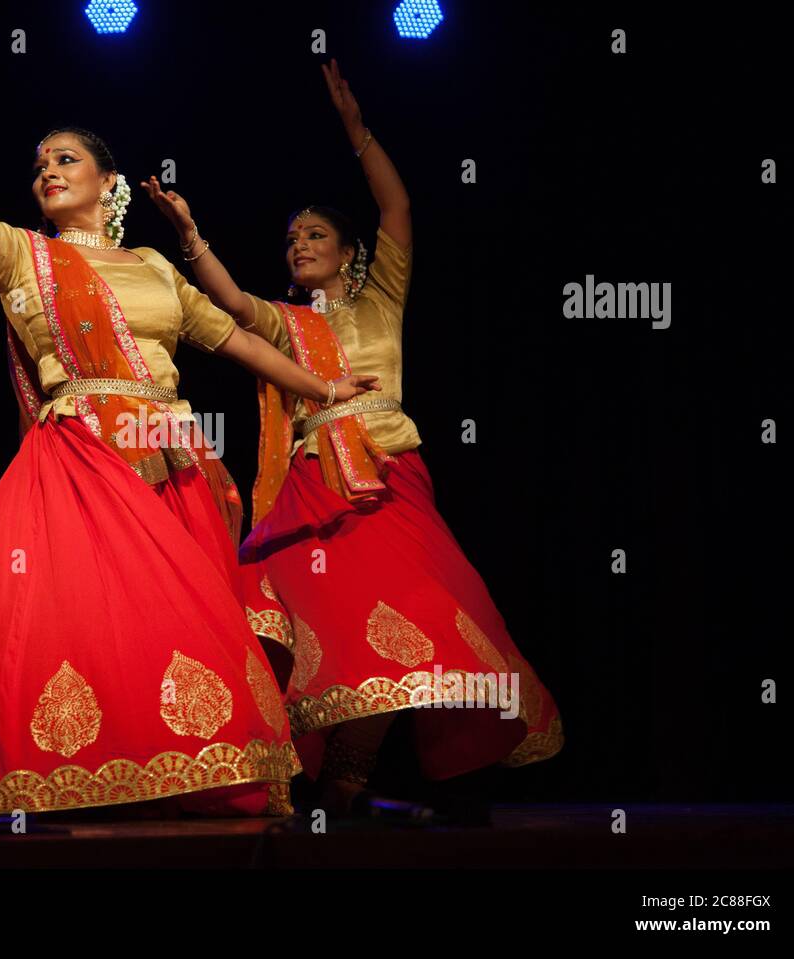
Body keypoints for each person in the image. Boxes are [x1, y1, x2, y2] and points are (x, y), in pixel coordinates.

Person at [0, 49, 380, 827]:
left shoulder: (151, 264)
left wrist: (323, 389)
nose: (47, 169)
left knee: (160, 632)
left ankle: (168, 781)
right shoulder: (23, 255)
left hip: (170, 463)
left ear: (109, 184)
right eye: (39, 162)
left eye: (66, 158)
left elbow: (233, 339)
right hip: (75, 454)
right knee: (7, 606)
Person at [143, 59, 564, 817]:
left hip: (392, 476)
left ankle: (373, 782)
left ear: (347, 251)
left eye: (316, 234)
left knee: (430, 613)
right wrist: (191, 235)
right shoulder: (286, 322)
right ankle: (332, 784)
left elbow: (397, 204)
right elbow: (232, 302)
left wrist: (357, 130)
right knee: (337, 628)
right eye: (292, 237)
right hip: (315, 490)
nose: (300, 244)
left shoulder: (381, 301)